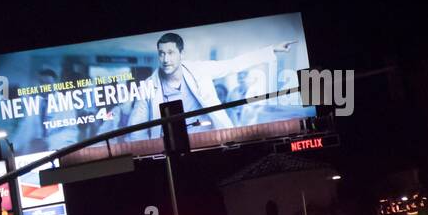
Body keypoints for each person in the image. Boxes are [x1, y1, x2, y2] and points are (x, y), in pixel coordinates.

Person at [121, 31, 298, 141]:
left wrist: (271, 49)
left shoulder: (199, 69)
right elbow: (136, 130)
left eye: (170, 53)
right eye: (161, 54)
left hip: (212, 139)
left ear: (181, 54)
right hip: (172, 147)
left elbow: (233, 64)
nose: (166, 59)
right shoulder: (148, 86)